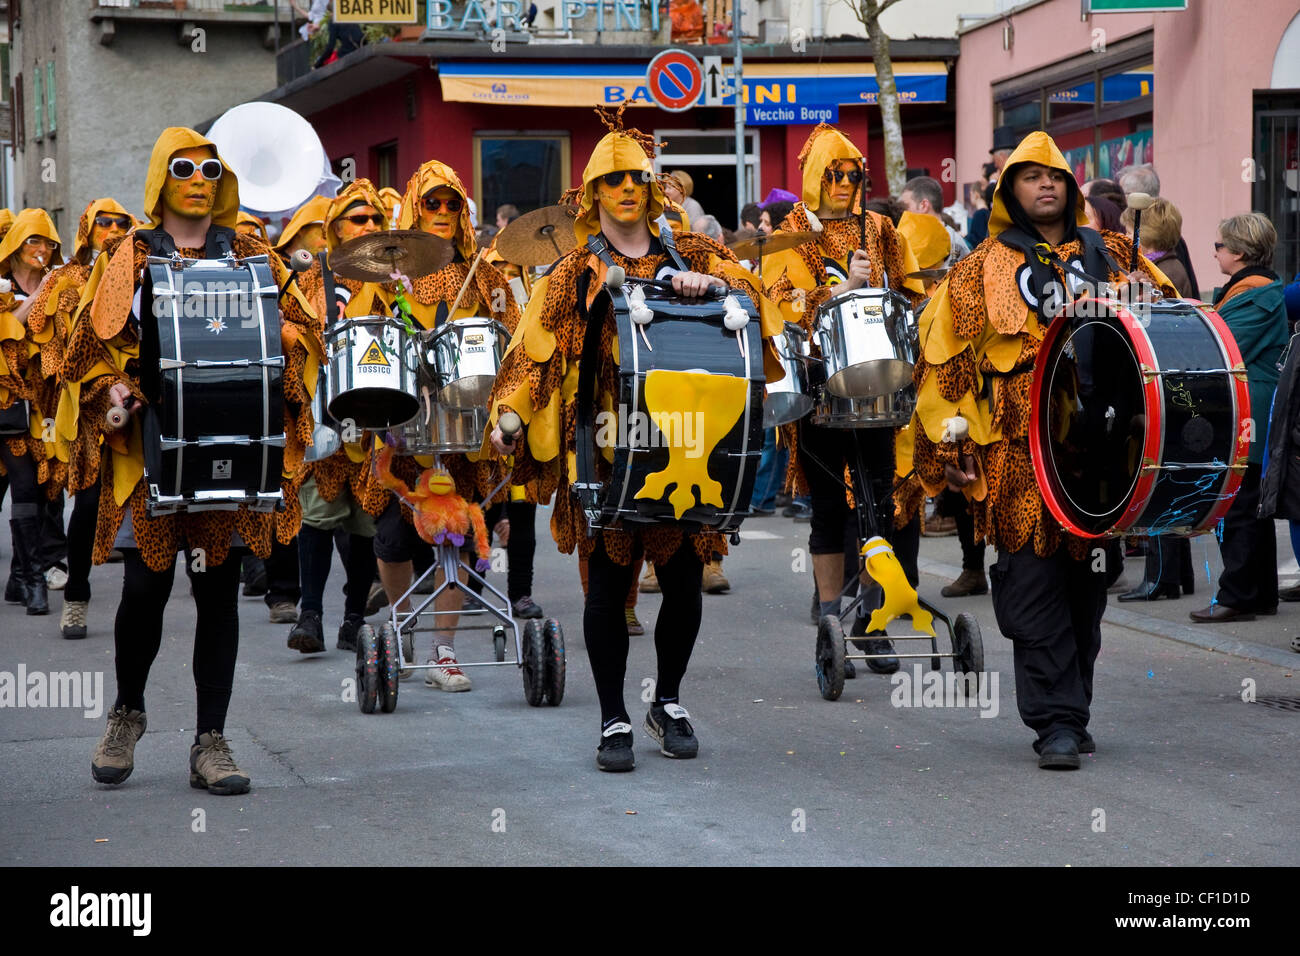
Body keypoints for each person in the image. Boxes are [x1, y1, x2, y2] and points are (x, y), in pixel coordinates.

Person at [484, 107, 776, 770]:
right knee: (608, 582)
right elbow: (536, 351)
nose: (626, 190)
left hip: (688, 437)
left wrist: (721, 282)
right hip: (608, 434)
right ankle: (613, 716)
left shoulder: (692, 250)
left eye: (636, 180)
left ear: (650, 189)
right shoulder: (570, 271)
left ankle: (666, 699)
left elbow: (753, 290)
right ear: (592, 193)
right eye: (612, 180)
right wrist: (509, 414)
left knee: (682, 578)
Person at [912, 131, 1174, 770]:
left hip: (1104, 456)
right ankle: (1054, 721)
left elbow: (1167, 332)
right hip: (1017, 456)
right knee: (1031, 583)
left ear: (1070, 187)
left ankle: (1071, 708)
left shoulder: (1114, 253)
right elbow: (947, 362)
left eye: (1054, 175)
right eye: (1030, 177)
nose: (1046, 185)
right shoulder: (978, 268)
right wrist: (949, 442)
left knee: (1089, 585)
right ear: (1011, 191)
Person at [72, 127, 311, 794]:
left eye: (212, 167)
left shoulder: (250, 253)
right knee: (144, 592)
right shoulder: (129, 257)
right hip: (151, 453)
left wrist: (293, 333)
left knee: (216, 591)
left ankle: (210, 741)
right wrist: (114, 390)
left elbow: (292, 325)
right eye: (186, 167)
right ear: (161, 177)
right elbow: (91, 346)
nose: (201, 177)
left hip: (225, 448)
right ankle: (127, 713)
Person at [762, 123, 924, 672]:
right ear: (813, 177)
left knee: (879, 506)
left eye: (853, 174)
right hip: (816, 386)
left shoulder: (878, 228)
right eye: (834, 174)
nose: (844, 183)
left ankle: (872, 622)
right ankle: (831, 619)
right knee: (830, 509)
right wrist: (841, 290)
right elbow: (778, 302)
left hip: (876, 381)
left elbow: (909, 290)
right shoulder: (793, 230)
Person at [369, 158, 520, 691]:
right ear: (414, 207)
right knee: (391, 539)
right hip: (402, 423)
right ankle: (402, 621)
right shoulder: (383, 274)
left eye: (451, 202)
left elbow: (514, 343)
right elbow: (361, 341)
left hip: (463, 424)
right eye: (430, 202)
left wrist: (506, 414)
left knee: (453, 536)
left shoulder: (483, 274)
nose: (441, 211)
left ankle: (443, 651)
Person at [278, 181, 389, 655]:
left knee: (364, 525)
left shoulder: (391, 282)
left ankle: (352, 617)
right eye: (357, 219)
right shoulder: (306, 281)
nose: (368, 227)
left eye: (375, 220)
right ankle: (310, 614)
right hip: (320, 419)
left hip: (371, 421)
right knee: (318, 519)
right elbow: (282, 334)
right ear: (334, 229)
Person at [36, 199, 133, 637]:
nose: (111, 228)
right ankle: (76, 595)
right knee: (89, 504)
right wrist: (98, 383)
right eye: (103, 221)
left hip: (140, 402)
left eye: (120, 222)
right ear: (86, 228)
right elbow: (58, 349)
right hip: (90, 407)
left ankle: (140, 604)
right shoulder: (66, 279)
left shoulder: (141, 272)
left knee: (144, 505)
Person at [1189, 213, 1288, 623]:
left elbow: (1220, 345)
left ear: (1240, 252)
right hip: (1250, 404)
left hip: (1251, 407)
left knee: (1239, 504)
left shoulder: (1256, 295)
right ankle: (1259, 593)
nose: (1214, 253)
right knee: (1250, 505)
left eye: (1219, 246)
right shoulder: (1249, 291)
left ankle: (1239, 594)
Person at [1113, 196, 1196, 602]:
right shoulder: (1172, 265)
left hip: (1162, 382)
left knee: (1161, 473)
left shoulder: (1161, 272)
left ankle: (1161, 577)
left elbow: (1155, 328)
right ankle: (1177, 575)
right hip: (1170, 380)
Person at [0, 208, 65, 616]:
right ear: (16, 247)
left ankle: (21, 578)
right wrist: (39, 298)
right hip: (7, 403)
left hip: (46, 408)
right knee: (22, 487)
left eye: (48, 244)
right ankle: (32, 579)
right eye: (33, 241)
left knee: (43, 491)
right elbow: (9, 332)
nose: (41, 250)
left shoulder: (61, 285)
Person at [1115, 164, 1200, 297]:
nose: (1125, 237)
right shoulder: (1154, 265)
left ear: (1148, 235)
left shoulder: (1166, 272)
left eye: (1129, 232)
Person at [900, 176, 970, 266]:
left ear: (924, 205)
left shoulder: (955, 244)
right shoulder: (911, 238)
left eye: (906, 206)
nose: (903, 211)